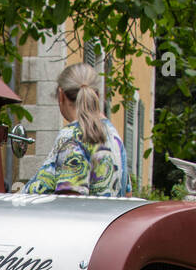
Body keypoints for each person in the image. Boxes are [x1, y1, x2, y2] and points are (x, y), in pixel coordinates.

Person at [23, 63, 122, 197]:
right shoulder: (113, 134)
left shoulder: (72, 137)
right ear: (97, 95)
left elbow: (69, 203)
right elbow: (126, 193)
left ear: (61, 95)